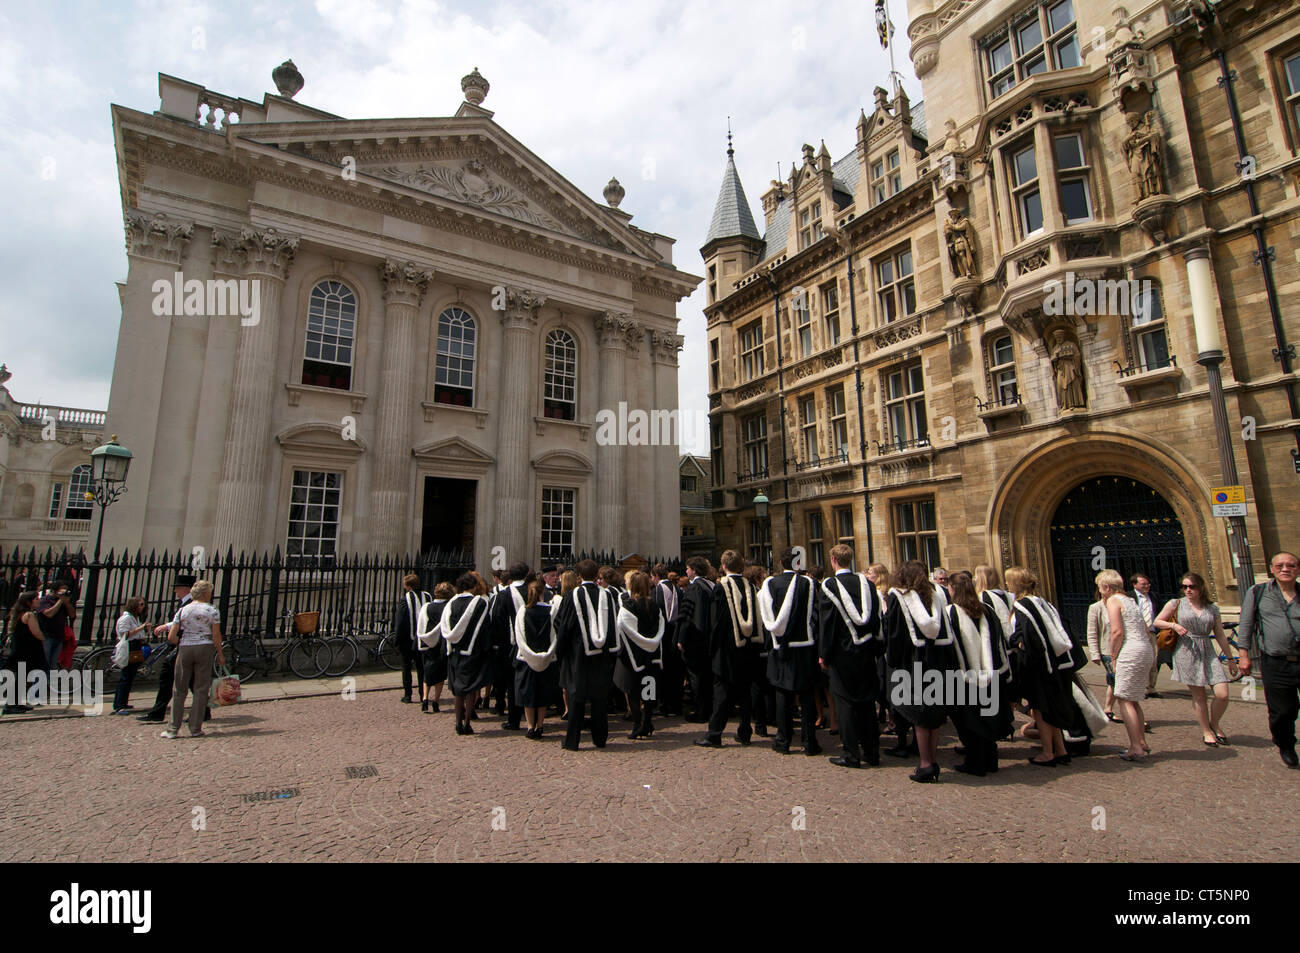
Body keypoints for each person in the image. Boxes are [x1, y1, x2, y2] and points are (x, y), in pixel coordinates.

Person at [884, 561, 954, 782]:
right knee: (934, 714)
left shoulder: (899, 597)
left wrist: (892, 660)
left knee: (920, 715)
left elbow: (894, 632)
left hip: (913, 661)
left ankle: (925, 763)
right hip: (938, 660)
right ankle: (933, 760)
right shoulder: (936, 596)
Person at [1007, 566, 1081, 766]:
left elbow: (1026, 637)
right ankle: (1061, 749)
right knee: (1049, 708)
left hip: (1038, 666)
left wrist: (1014, 643)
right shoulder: (1043, 602)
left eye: (1008, 581)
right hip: (1056, 662)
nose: (1006, 584)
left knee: (1039, 710)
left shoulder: (1022, 605)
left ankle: (1048, 753)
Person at [818, 544, 882, 768]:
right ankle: (872, 752)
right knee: (866, 703)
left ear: (834, 560)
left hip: (842, 653)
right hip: (866, 649)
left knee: (845, 703)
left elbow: (827, 625)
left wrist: (823, 654)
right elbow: (875, 616)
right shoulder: (866, 584)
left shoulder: (829, 586)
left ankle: (851, 753)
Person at [1155, 572, 1236, 747]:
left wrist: (1230, 658)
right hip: (1186, 651)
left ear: (1200, 588)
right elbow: (1157, 621)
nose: (1188, 590)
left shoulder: (1212, 608)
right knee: (1199, 695)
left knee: (1222, 694)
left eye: (1191, 586)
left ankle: (1214, 723)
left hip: (1207, 650)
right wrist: (1174, 625)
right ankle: (1206, 730)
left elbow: (1220, 634)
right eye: (1184, 587)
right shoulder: (1176, 604)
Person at [945, 572, 1013, 776]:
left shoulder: (951, 612)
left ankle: (975, 762)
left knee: (969, 721)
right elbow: (999, 640)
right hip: (991, 672)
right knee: (987, 716)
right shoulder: (988, 610)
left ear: (953, 589)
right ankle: (991, 760)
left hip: (964, 676)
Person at [695, 550, 763, 749]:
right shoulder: (750, 586)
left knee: (722, 692)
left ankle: (714, 734)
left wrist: (712, 649)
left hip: (726, 649)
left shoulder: (720, 588)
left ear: (723, 566)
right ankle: (745, 732)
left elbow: (716, 623)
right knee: (745, 692)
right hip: (748, 646)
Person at [1238, 551, 1300, 768]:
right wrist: (1243, 655)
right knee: (1283, 711)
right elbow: (1246, 625)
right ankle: (1285, 743)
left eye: (1291, 565)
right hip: (1276, 661)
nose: (1286, 569)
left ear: (1297, 569)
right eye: (1280, 565)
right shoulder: (1258, 592)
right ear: (1272, 569)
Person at [758, 548, 821, 757]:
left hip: (780, 646)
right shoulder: (808, 583)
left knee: (783, 695)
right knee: (806, 696)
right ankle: (809, 741)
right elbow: (814, 616)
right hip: (804, 645)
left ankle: (783, 740)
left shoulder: (771, 584)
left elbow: (767, 616)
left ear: (779, 562)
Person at [553, 559, 620, 750]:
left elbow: (563, 624)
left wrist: (561, 650)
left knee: (577, 697)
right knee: (600, 697)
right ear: (596, 574)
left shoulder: (572, 595)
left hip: (578, 653)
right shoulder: (606, 595)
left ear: (579, 576)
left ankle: (572, 741)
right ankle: (600, 738)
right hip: (602, 654)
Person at [1097, 569, 1153, 762]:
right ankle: (1142, 742)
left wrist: (1113, 656)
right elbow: (1145, 629)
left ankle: (1135, 747)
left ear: (1106, 587)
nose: (1100, 592)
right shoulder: (1130, 600)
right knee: (1134, 699)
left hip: (1129, 650)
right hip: (1145, 649)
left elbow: (1117, 632)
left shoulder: (1113, 600)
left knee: (1124, 699)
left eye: (1100, 588)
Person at [160, 579, 223, 739]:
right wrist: (220, 654)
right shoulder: (212, 610)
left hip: (185, 647)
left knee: (179, 688)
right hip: (205, 647)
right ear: (205, 593)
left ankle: (173, 728)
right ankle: (195, 728)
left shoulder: (183, 610)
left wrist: (181, 643)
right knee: (201, 689)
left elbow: (171, 635)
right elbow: (216, 635)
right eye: (209, 592)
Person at [138, 574, 199, 724]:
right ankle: (203, 711)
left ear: (186, 588)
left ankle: (158, 713)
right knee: (189, 680)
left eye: (177, 588)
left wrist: (167, 626)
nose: (175, 591)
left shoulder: (191, 603)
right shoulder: (185, 602)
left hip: (183, 644)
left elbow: (184, 619)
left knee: (169, 676)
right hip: (181, 644)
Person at [615, 570, 665, 740]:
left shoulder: (628, 606)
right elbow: (659, 629)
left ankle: (637, 724)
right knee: (648, 689)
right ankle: (648, 722)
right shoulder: (655, 606)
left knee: (633, 691)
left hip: (633, 656)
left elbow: (622, 630)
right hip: (651, 655)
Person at [442, 573, 491, 735]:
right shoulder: (479, 603)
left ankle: (458, 722)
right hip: (473, 651)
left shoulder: (451, 604)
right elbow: (484, 629)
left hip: (454, 651)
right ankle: (467, 722)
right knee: (470, 690)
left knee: (458, 691)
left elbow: (446, 628)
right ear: (474, 586)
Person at [514, 578, 560, 740]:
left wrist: (529, 653)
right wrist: (547, 653)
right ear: (543, 593)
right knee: (543, 693)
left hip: (526, 659)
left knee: (528, 694)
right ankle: (540, 725)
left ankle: (530, 726)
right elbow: (555, 635)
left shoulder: (523, 611)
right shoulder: (551, 611)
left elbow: (519, 636)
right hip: (547, 658)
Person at [487, 563, 530, 730]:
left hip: (509, 645)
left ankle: (514, 719)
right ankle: (532, 717)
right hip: (531, 642)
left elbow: (497, 619)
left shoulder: (504, 595)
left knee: (512, 684)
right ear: (526, 574)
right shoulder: (533, 591)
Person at [675, 556, 715, 722]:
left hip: (695, 639)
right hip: (708, 639)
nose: (686, 571)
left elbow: (687, 616)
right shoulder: (710, 586)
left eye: (688, 568)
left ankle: (700, 711)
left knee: (696, 676)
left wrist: (681, 639)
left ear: (694, 570)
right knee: (707, 676)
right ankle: (708, 708)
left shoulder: (694, 588)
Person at [742, 562, 773, 737]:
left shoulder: (753, 594)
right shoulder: (758, 594)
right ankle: (763, 720)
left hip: (756, 644)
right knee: (762, 685)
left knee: (758, 686)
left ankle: (761, 721)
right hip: (762, 644)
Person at [4, 592, 45, 713]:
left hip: (21, 649)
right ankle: (11, 705)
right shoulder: (29, 615)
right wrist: (45, 639)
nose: (38, 601)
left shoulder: (19, 614)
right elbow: (36, 632)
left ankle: (16, 703)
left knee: (21, 677)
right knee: (20, 678)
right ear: (29, 602)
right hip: (26, 650)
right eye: (36, 599)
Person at [652, 563, 684, 717]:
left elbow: (656, 613)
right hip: (675, 633)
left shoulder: (658, 589)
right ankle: (676, 704)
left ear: (656, 576)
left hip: (663, 635)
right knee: (676, 671)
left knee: (663, 671)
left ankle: (664, 704)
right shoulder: (677, 588)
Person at [394, 574, 431, 705]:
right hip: (423, 638)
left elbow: (401, 621)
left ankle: (408, 694)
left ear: (408, 586)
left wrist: (397, 639)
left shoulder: (406, 599)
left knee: (406, 667)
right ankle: (423, 694)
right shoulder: (427, 596)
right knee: (421, 668)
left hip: (408, 640)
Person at [417, 582, 454, 712]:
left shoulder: (427, 607)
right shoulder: (448, 607)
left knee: (427, 672)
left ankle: (425, 698)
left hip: (427, 644)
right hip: (441, 643)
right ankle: (436, 701)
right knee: (439, 675)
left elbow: (422, 624)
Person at [112, 597, 151, 714]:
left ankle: (123, 702)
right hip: (129, 646)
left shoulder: (135, 618)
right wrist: (141, 627)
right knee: (126, 676)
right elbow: (125, 634)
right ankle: (119, 705)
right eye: (140, 604)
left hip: (135, 646)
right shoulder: (126, 618)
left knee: (130, 676)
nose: (142, 607)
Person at [1129, 573, 1166, 698]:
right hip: (1136, 633)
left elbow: (1160, 612)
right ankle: (1140, 687)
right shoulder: (1128, 597)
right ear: (1135, 584)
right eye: (1143, 584)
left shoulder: (1154, 596)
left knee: (1154, 660)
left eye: (1148, 584)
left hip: (1151, 632)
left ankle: (1151, 688)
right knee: (1139, 660)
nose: (1147, 586)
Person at [36, 580, 75, 675]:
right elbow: (49, 614)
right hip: (47, 636)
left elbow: (72, 615)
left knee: (52, 666)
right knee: (43, 664)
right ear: (54, 590)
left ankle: (46, 686)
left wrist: (67, 603)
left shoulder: (62, 602)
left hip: (59, 636)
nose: (63, 593)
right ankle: (37, 687)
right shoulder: (45, 600)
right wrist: (60, 601)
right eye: (62, 591)